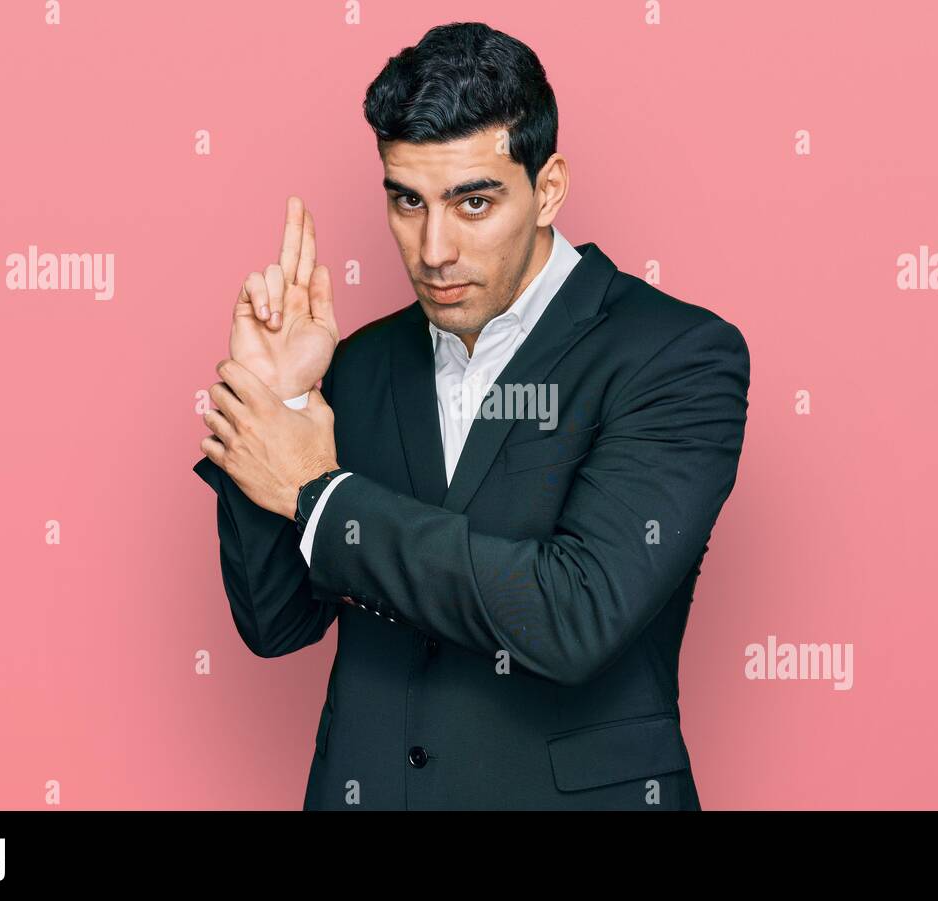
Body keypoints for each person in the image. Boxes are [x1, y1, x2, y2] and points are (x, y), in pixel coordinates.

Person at [193, 21, 750, 810]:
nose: (433, 249)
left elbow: (575, 613)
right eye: (407, 202)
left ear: (549, 187)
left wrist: (320, 492)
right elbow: (275, 625)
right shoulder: (357, 363)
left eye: (473, 203)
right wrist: (278, 399)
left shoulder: (677, 356)